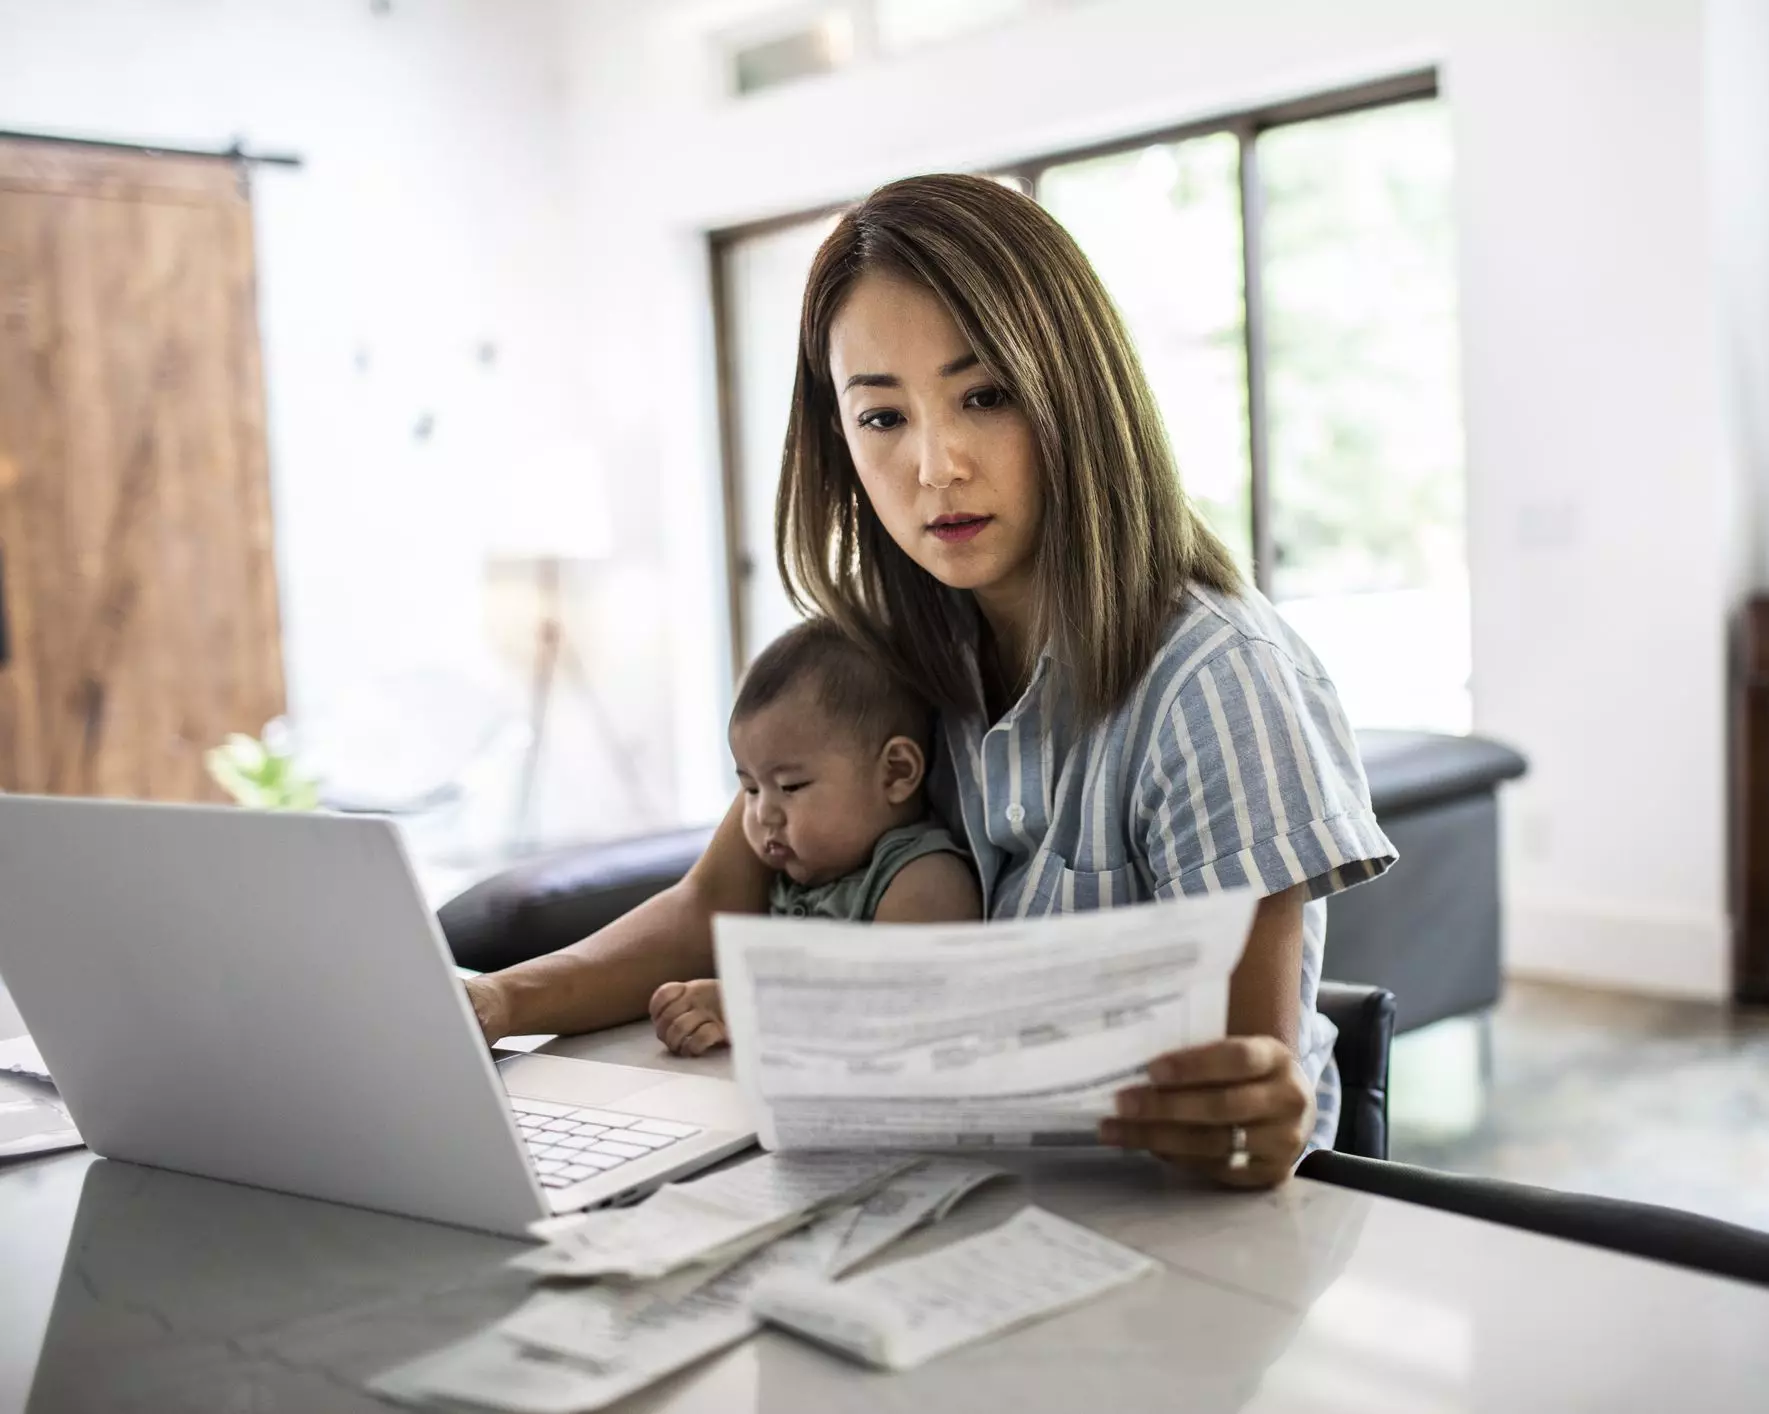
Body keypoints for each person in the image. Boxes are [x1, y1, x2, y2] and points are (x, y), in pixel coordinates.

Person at [467, 173, 1396, 1187]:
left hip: (1150, 1228)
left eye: (984, 397)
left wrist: (1256, 1111)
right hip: (923, 1189)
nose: (935, 465)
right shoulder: (874, 655)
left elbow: (1239, 1100)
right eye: (882, 417)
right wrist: (496, 1002)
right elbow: (712, 911)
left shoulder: (1219, 684)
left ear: (1075, 395)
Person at [648, 617, 981, 1051]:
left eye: (791, 787)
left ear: (897, 772)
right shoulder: (796, 874)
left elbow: (903, 1005)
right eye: (749, 788)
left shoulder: (921, 877)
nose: (764, 813)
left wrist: (748, 1006)